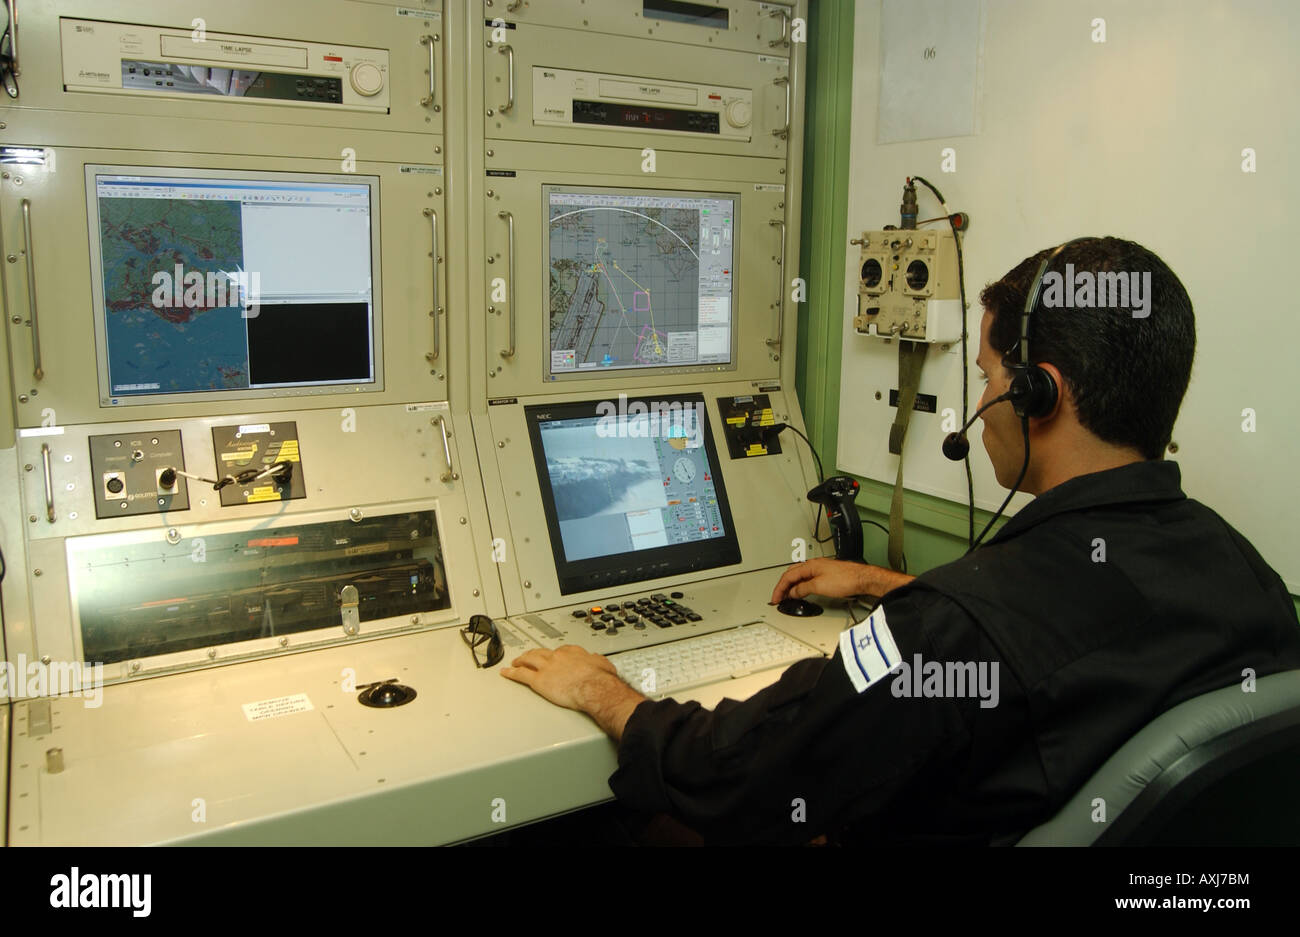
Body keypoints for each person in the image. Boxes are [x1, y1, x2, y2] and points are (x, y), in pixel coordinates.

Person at [500, 237, 1300, 845]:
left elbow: (746, 772)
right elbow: (1073, 634)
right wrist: (889, 586)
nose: (984, 401)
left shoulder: (959, 628)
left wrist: (607, 691)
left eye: (988, 378)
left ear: (1038, 391)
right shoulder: (1243, 572)